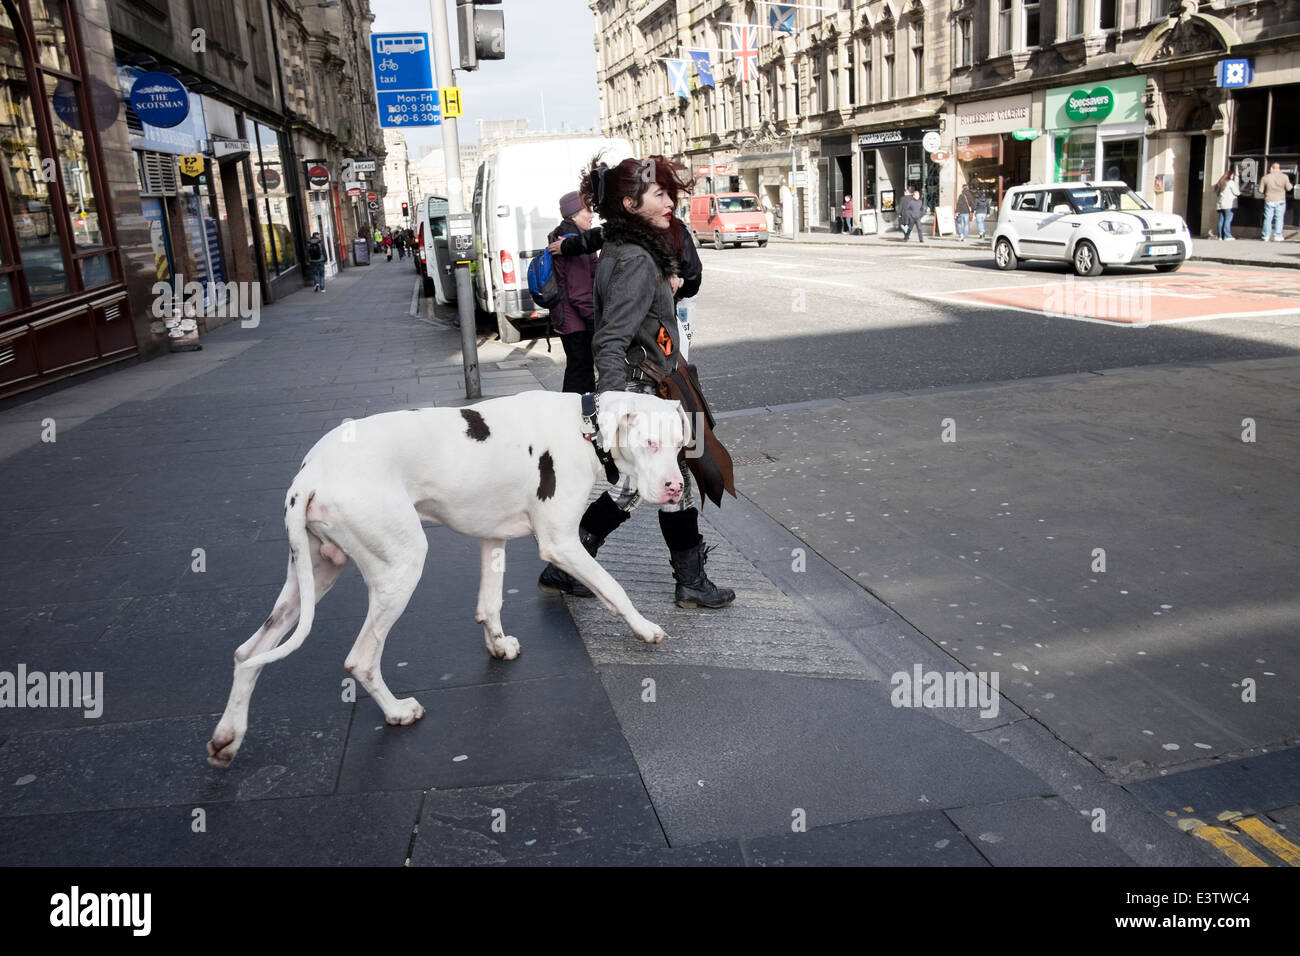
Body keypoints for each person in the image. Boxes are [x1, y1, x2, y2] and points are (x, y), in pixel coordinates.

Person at [538, 155, 732, 610]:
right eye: (660, 194)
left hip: (650, 385)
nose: (671, 201)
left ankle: (569, 565)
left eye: (670, 192)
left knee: (640, 487)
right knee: (670, 483)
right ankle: (689, 583)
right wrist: (610, 401)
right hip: (643, 392)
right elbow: (611, 336)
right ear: (630, 203)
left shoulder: (626, 248)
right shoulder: (635, 260)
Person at [547, 191, 599, 394]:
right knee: (581, 373)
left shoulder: (562, 236)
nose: (592, 214)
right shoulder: (572, 243)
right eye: (588, 210)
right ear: (574, 215)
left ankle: (577, 414)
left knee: (578, 370)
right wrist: (594, 320)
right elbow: (579, 292)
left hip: (566, 319)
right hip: (577, 322)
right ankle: (576, 415)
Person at [1259, 162, 1293, 241]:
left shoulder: (1265, 177)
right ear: (1279, 168)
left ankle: (1266, 236)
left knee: (1268, 218)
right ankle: (1278, 236)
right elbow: (1289, 188)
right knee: (1279, 218)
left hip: (1269, 200)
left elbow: (1260, 190)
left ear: (1271, 168)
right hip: (1280, 200)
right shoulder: (1285, 177)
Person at [1214, 168, 1240, 240]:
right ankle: (1227, 236)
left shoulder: (1220, 183)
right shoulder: (1230, 182)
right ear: (1229, 175)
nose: (1232, 177)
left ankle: (1220, 236)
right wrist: (1240, 191)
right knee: (1228, 220)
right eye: (1232, 175)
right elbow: (1236, 192)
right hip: (1228, 204)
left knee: (1221, 220)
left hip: (1220, 204)